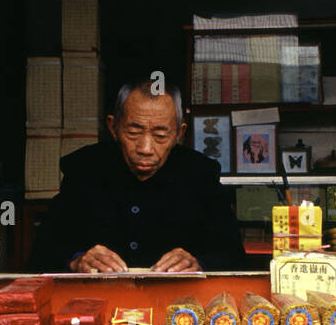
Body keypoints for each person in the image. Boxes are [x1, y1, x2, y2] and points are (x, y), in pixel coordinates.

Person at [29, 76, 243, 272]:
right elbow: (41, 256)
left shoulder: (201, 175)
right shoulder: (84, 169)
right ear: (113, 127)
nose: (145, 148)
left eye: (160, 135)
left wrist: (199, 264)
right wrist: (76, 261)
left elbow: (234, 258)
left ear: (180, 133)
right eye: (133, 132)